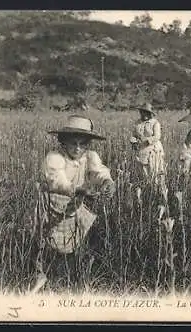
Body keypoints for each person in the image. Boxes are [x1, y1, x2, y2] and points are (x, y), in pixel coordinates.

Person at [29, 115, 116, 293]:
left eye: (82, 144)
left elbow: (98, 172)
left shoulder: (90, 157)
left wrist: (107, 181)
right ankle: (39, 274)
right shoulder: (55, 157)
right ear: (63, 142)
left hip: (74, 206)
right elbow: (57, 181)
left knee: (76, 240)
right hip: (52, 204)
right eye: (73, 143)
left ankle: (69, 276)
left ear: (88, 144)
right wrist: (78, 190)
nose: (77, 148)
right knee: (44, 239)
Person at [129, 102, 167, 195]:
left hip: (154, 151)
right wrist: (133, 141)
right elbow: (134, 135)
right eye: (142, 112)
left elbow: (157, 136)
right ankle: (147, 192)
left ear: (150, 113)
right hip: (142, 151)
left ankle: (158, 192)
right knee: (144, 173)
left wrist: (146, 140)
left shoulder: (155, 123)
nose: (144, 114)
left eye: (146, 112)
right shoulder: (137, 123)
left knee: (155, 172)